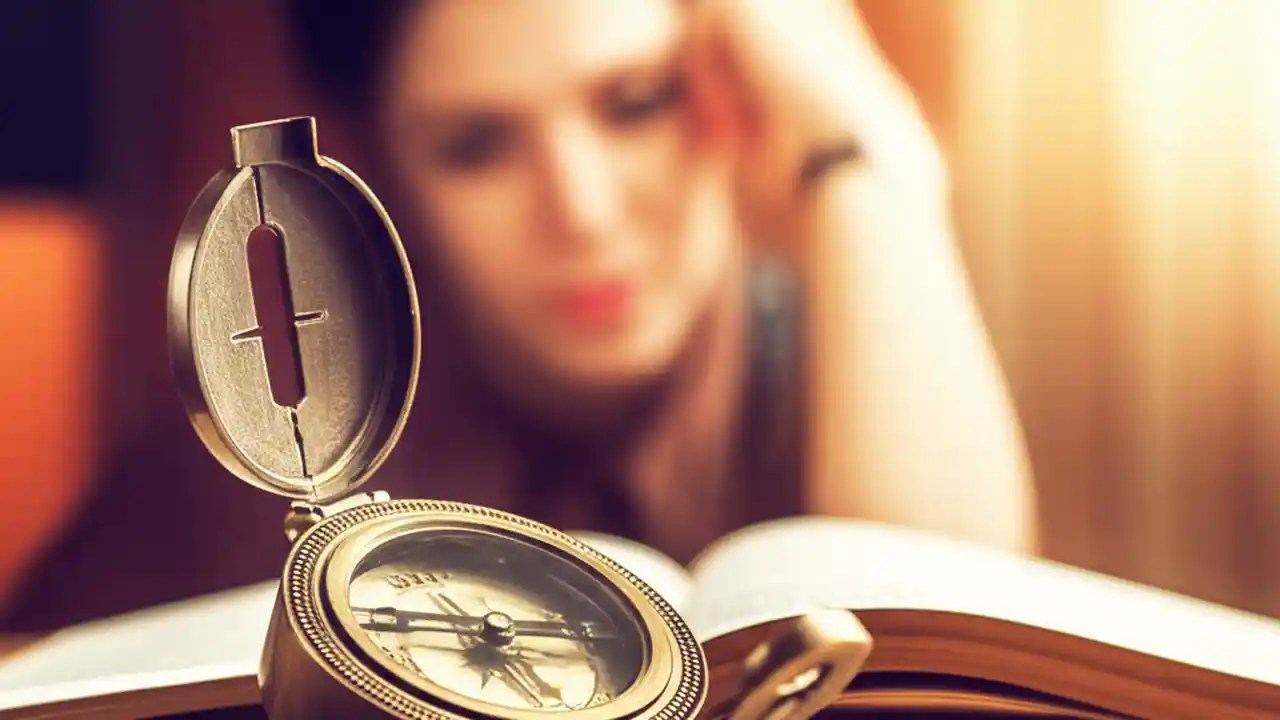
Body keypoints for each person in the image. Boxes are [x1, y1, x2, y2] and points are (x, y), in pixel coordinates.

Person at [2, 0, 1034, 631]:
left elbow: (954, 653)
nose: (581, 212)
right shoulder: (270, 447)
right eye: (476, 147)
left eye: (636, 103)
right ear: (385, 169)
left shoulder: (864, 367)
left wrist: (867, 161)